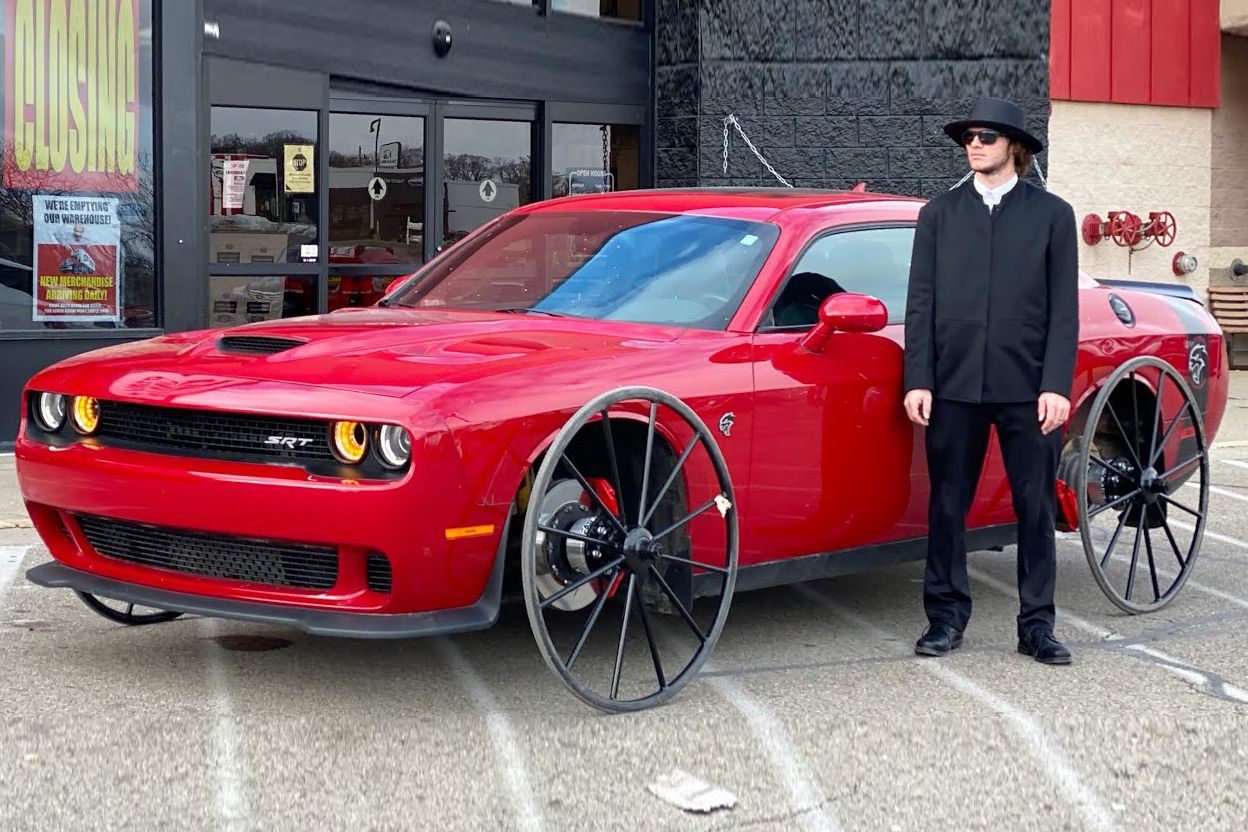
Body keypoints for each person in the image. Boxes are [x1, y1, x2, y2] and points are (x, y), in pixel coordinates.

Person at [902, 97, 1079, 665]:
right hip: (953, 386)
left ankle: (1037, 626)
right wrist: (918, 378)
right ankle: (945, 618)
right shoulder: (939, 215)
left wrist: (1056, 385)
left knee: (1035, 508)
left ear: (1014, 147)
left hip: (1028, 387)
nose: (974, 145)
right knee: (947, 506)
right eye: (968, 138)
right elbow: (920, 303)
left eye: (986, 137)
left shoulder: (1052, 215)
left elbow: (1065, 311)